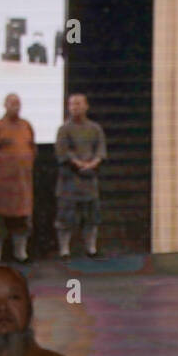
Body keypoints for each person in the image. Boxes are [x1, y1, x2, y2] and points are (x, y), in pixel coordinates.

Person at [0, 93, 36, 264]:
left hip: (22, 183)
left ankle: (21, 253)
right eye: (12, 103)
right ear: (5, 105)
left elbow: (33, 149)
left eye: (18, 103)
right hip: (0, 183)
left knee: (22, 219)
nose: (15, 106)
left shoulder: (26, 126)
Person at [54, 93, 106, 259]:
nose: (75, 107)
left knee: (92, 218)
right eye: (72, 104)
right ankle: (64, 250)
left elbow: (101, 151)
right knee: (65, 218)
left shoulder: (95, 128)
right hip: (69, 181)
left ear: (86, 106)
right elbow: (62, 152)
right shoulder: (64, 129)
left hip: (89, 181)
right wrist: (78, 164)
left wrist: (92, 163)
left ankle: (91, 248)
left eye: (78, 104)